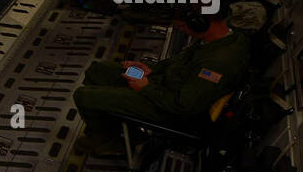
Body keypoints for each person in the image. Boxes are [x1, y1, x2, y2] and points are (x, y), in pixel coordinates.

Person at [73, 10, 251, 155]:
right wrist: (151, 69)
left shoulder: (218, 62)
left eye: (182, 26)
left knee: (84, 97)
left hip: (170, 109)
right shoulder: (219, 38)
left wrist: (145, 87)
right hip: (163, 85)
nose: (182, 30)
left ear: (199, 23)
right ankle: (119, 129)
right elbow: (181, 63)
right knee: (98, 71)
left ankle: (110, 143)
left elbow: (184, 106)